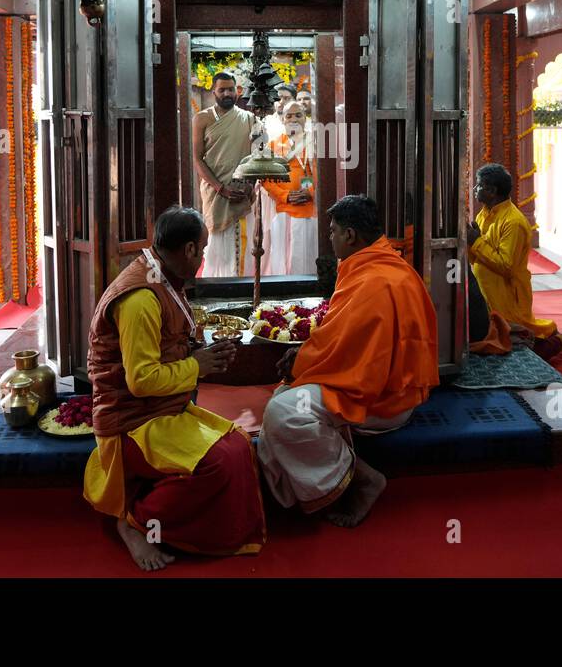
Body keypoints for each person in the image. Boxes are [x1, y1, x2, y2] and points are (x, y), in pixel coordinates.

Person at [83, 206, 266, 570]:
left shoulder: (162, 277)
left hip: (162, 409)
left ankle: (199, 528)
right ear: (188, 251)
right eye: (202, 249)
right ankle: (135, 523)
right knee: (217, 464)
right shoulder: (141, 299)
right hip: (131, 422)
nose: (202, 257)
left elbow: (166, 349)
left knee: (238, 447)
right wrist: (196, 367)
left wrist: (200, 355)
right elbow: (141, 381)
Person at [257, 195, 439, 527]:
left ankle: (361, 480)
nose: (330, 237)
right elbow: (344, 342)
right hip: (391, 390)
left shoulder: (373, 281)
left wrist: (300, 363)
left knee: (283, 412)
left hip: (383, 401)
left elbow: (347, 354)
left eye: (333, 231)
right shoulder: (384, 266)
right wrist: (304, 360)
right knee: (283, 398)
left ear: (350, 235)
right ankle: (298, 490)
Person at [466, 163, 562, 361]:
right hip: (487, 292)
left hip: (509, 296)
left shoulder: (514, 222)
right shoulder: (483, 214)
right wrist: (468, 244)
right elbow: (478, 256)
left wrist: (476, 242)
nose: (475, 189)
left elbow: (506, 265)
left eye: (479, 186)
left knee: (522, 352)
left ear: (492, 191)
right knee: (493, 343)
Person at [193, 72, 255, 276]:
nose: (227, 93)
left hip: (241, 193)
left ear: (237, 91)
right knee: (216, 248)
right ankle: (218, 287)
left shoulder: (248, 118)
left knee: (244, 246)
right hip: (215, 193)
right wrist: (221, 189)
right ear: (214, 92)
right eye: (222, 89)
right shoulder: (202, 118)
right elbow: (197, 159)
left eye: (231, 89)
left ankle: (243, 289)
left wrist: (250, 185)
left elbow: (257, 156)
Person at [262, 100, 317, 275]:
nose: (293, 119)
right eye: (289, 116)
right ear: (283, 120)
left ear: (305, 118)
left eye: (298, 115)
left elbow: (316, 172)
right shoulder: (274, 145)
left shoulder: (314, 142)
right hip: (283, 209)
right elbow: (266, 178)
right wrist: (285, 195)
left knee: (307, 257)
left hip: (309, 210)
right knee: (282, 258)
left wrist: (308, 192)